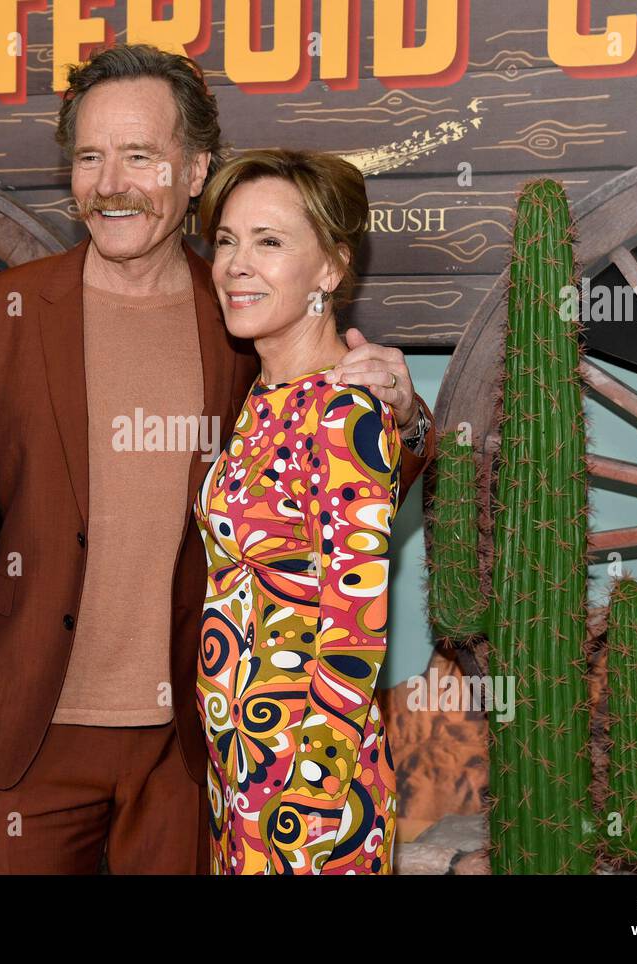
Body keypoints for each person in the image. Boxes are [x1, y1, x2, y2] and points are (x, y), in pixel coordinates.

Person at [0, 43, 435, 874]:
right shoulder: (0, 317)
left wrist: (402, 419)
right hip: (28, 745)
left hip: (192, 757)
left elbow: (326, 482)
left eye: (140, 156)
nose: (110, 182)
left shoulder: (239, 318)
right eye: (89, 156)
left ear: (194, 171)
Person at [195, 149, 403, 875]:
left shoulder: (343, 411)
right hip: (242, 780)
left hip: (307, 797)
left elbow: (356, 628)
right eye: (226, 240)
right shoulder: (261, 402)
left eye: (269, 241)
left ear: (330, 268)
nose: (235, 264)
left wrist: (306, 805)